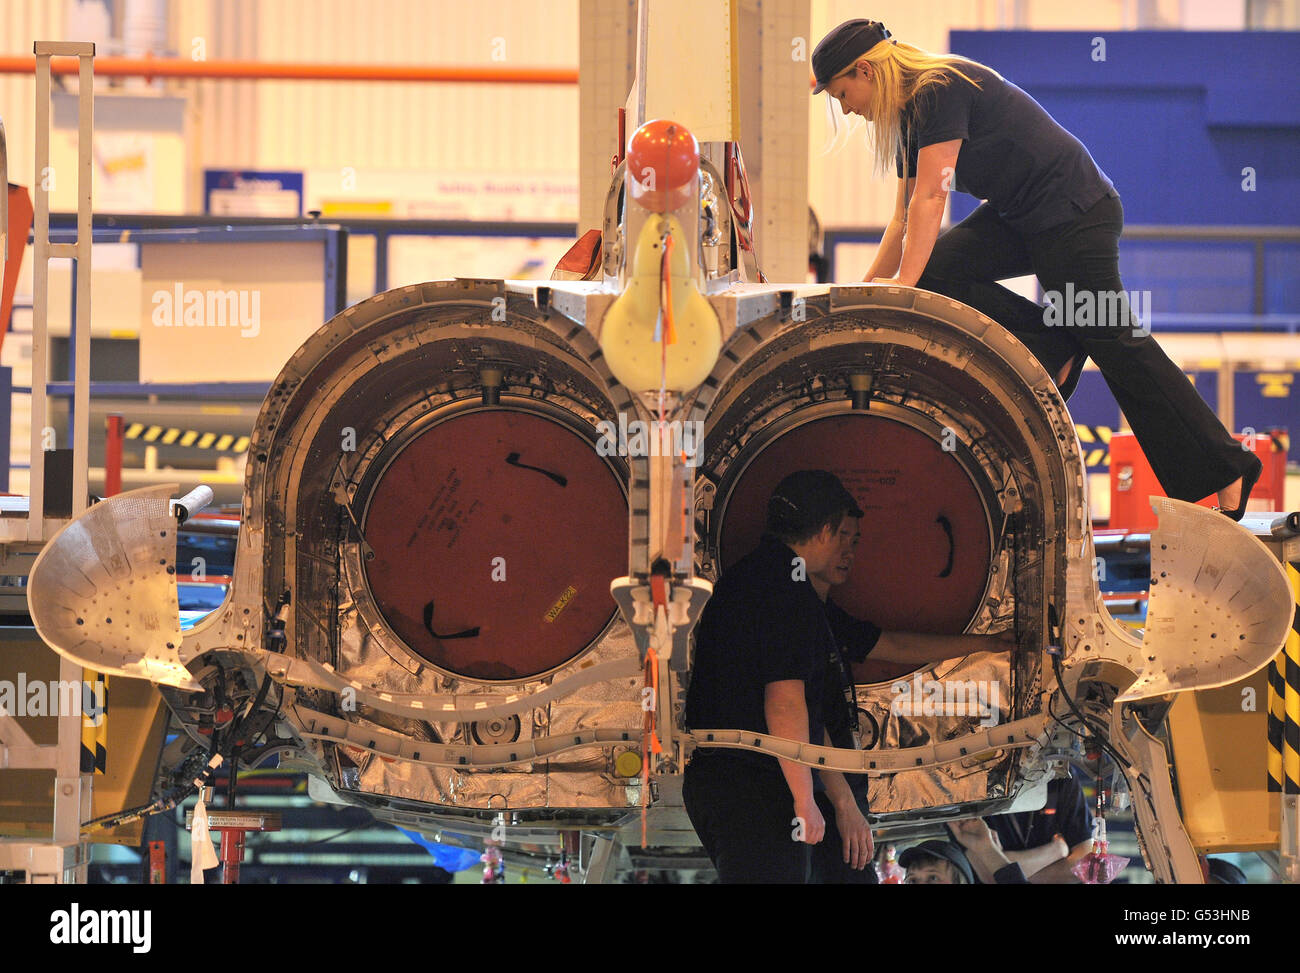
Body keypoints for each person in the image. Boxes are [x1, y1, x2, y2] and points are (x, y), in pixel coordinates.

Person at [810, 19, 1262, 519]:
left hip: (1074, 213)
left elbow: (932, 195)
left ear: (866, 70)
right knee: (937, 271)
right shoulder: (907, 119)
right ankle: (1054, 345)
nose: (846, 108)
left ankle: (1228, 465)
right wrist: (870, 289)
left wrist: (903, 287)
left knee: (1119, 346)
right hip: (1023, 218)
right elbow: (902, 218)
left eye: (843, 94)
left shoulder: (938, 88)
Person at [807, 510, 1016, 882]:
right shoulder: (799, 614)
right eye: (925, 880)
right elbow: (803, 714)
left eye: (924, 880)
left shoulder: (819, 617)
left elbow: (892, 644)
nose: (851, 552)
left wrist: (985, 643)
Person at [683, 470, 867, 883]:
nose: (848, 548)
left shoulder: (751, 578)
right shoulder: (786, 591)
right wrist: (805, 798)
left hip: (726, 778)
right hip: (754, 784)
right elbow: (784, 703)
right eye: (844, 535)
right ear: (824, 531)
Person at [984, 775, 1095, 883]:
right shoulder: (978, 779)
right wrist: (1055, 851)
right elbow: (985, 869)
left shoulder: (1062, 774)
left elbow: (1085, 866)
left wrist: (1010, 877)